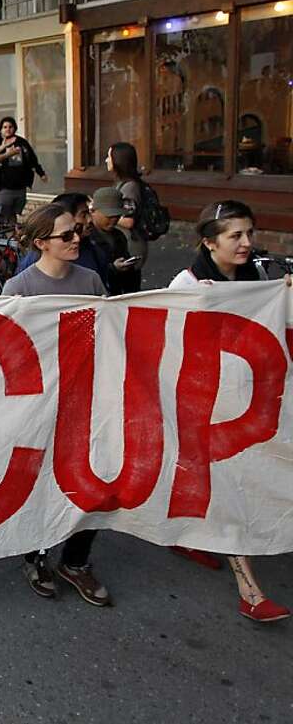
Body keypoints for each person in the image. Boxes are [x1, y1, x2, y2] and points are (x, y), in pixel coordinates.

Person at [169, 200, 290, 623]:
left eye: (249, 233)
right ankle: (250, 592)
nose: (246, 243)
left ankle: (187, 535)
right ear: (209, 241)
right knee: (231, 486)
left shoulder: (257, 276)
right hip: (206, 403)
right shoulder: (185, 283)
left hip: (248, 398)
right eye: (235, 235)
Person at [1, 206, 111, 607]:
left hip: (89, 399)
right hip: (42, 406)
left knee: (93, 481)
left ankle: (76, 562)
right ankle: (37, 556)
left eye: (77, 231)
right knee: (43, 484)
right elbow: (11, 355)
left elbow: (111, 335)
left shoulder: (91, 280)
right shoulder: (19, 289)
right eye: (65, 236)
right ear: (40, 243)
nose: (77, 239)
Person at [14, 192, 109, 288]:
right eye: (66, 235)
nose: (89, 220)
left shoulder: (92, 272)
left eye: (76, 231)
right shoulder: (22, 282)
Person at [0, 117, 47, 226]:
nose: (8, 129)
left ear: (15, 128)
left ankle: (11, 236)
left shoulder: (21, 142)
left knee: (12, 215)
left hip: (19, 185)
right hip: (0, 187)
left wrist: (41, 173)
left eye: (10, 127)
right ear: (0, 129)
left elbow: (32, 159)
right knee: (1, 216)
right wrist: (3, 148)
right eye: (5, 127)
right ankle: (0, 236)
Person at [107, 142, 148, 293]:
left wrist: (106, 214)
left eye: (109, 157)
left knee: (128, 288)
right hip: (123, 242)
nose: (106, 160)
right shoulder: (121, 184)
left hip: (130, 244)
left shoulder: (130, 187)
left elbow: (129, 220)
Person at [84, 188, 137, 295]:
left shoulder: (119, 235)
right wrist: (112, 269)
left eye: (117, 216)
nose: (113, 220)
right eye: (109, 216)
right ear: (93, 212)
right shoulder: (85, 237)